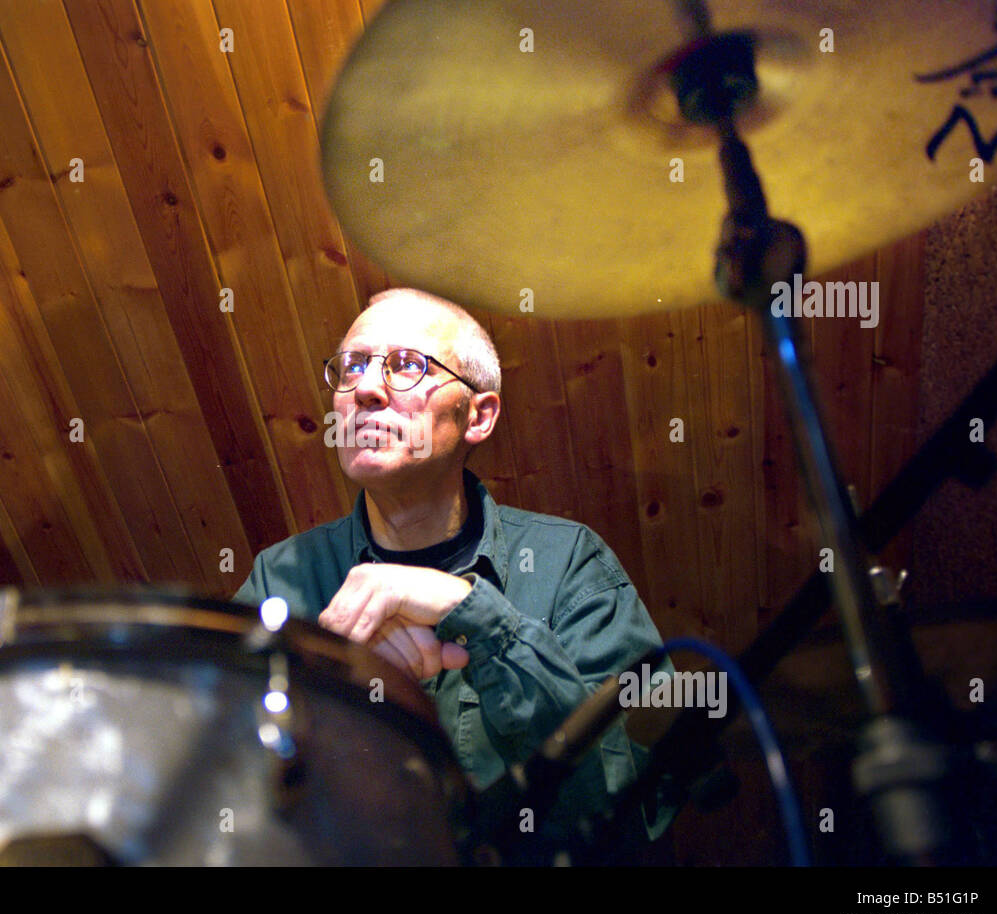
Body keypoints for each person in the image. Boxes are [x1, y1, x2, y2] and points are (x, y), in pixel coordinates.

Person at [234, 288, 677, 861]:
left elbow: (625, 813)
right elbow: (226, 793)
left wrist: (472, 613)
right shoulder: (281, 577)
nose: (366, 388)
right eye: (353, 366)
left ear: (479, 415)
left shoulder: (568, 563)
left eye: (407, 366)